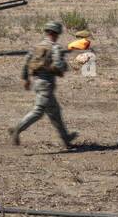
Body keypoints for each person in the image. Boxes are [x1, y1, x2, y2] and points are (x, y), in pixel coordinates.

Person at [8, 20, 77, 149]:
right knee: (38, 111)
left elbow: (26, 62)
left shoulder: (37, 46)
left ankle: (66, 139)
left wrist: (26, 79)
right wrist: (63, 66)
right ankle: (16, 130)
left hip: (37, 83)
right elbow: (59, 66)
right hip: (46, 84)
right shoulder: (55, 47)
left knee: (55, 112)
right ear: (56, 33)